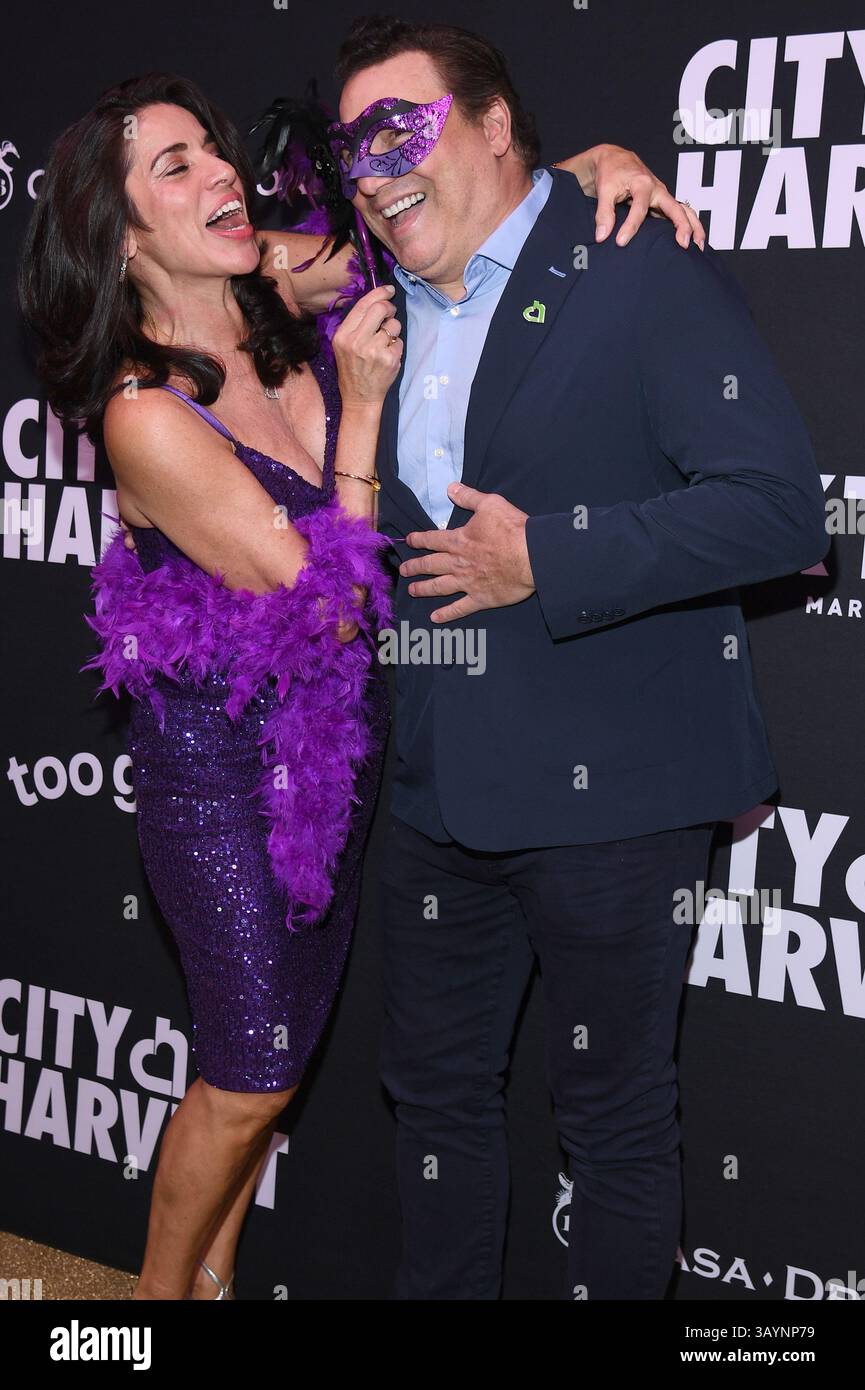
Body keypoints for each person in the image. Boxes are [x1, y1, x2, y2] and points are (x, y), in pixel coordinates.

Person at [21, 67, 681, 1301]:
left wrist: (589, 166)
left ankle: (207, 1295)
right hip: (222, 791)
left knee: (263, 1067)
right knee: (252, 1075)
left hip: (324, 776)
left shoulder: (268, 278)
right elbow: (329, 605)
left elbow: (454, 217)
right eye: (177, 169)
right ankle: (143, 1315)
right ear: (118, 241)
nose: (220, 173)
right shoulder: (145, 418)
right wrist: (362, 415)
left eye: (212, 151)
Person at [328, 17, 830, 1299]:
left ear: (494, 126)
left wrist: (549, 558)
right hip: (440, 794)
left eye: (403, 129)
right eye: (354, 147)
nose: (376, 168)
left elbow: (779, 509)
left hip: (617, 790)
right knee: (435, 1112)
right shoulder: (370, 310)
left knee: (610, 1129)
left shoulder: (632, 260)